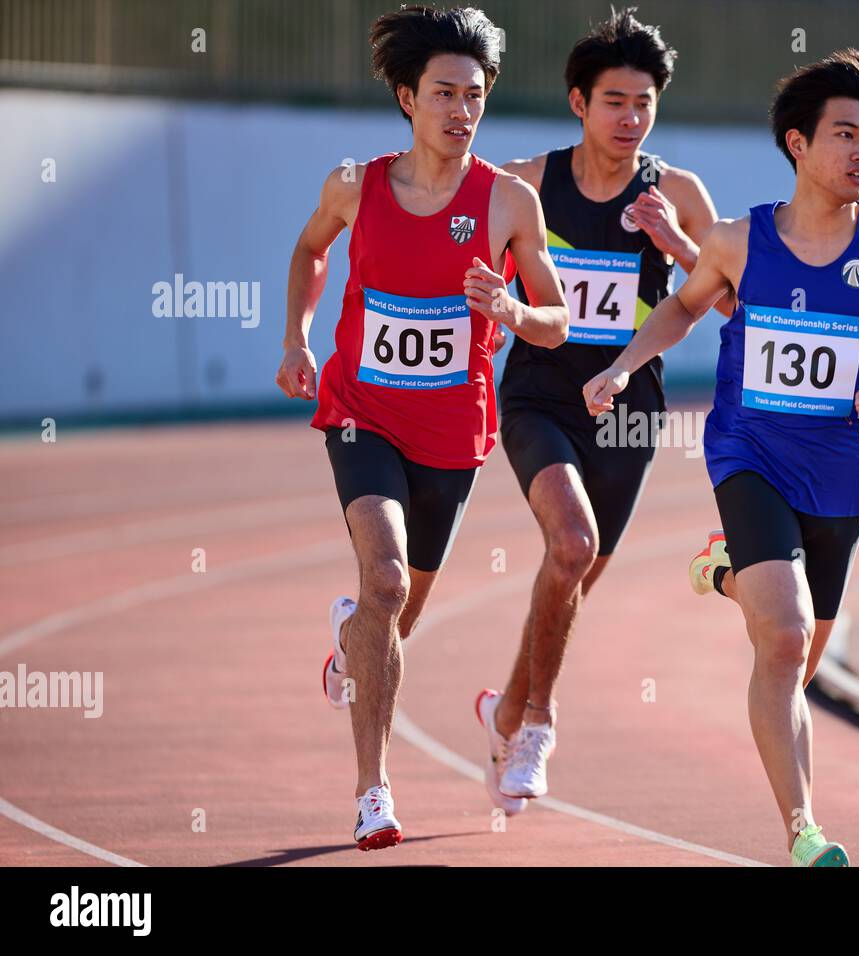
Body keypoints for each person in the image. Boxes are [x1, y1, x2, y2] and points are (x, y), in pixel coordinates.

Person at [583, 49, 859, 866]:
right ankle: (804, 833)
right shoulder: (737, 241)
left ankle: (726, 573)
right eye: (845, 135)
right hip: (748, 452)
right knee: (786, 638)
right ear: (798, 144)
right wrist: (620, 365)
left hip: (840, 475)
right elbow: (682, 311)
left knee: (794, 658)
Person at [273, 4, 567, 851]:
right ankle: (374, 792)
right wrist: (295, 338)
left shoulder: (508, 201)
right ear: (407, 97)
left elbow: (556, 320)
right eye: (443, 92)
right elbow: (308, 251)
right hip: (362, 412)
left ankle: (351, 643)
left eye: (475, 94)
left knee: (390, 623)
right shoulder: (355, 184)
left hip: (452, 435)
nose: (461, 109)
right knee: (389, 585)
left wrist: (510, 306)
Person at [474, 8, 729, 812]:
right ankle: (540, 725)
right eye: (615, 101)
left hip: (628, 406)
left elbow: (729, 305)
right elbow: (462, 281)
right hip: (540, 394)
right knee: (572, 542)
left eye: (645, 102)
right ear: (578, 102)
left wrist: (681, 246)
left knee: (574, 572)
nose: (631, 118)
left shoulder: (678, 191)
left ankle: (505, 710)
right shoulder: (523, 184)